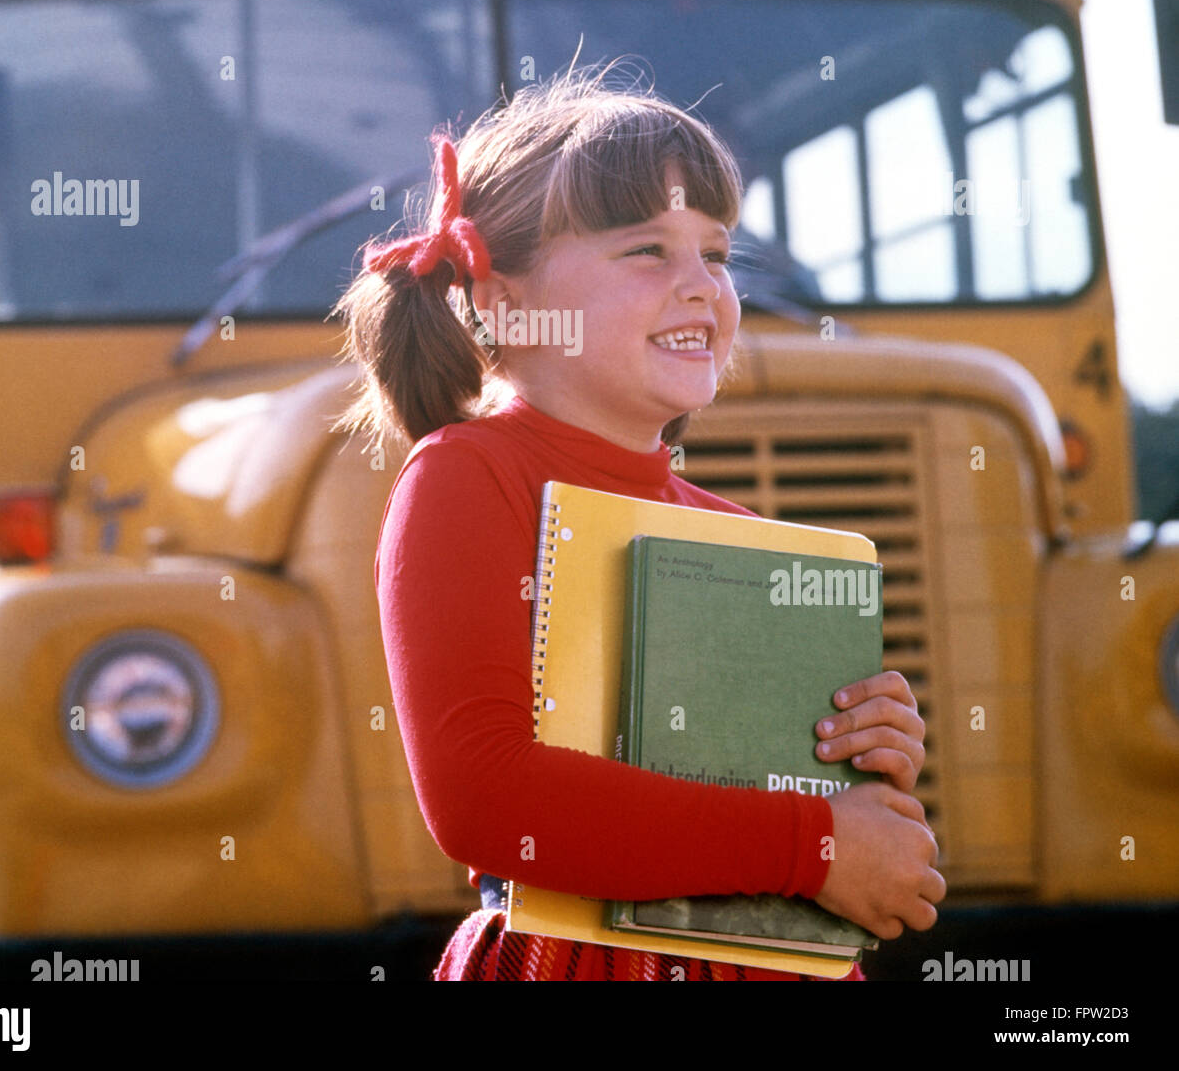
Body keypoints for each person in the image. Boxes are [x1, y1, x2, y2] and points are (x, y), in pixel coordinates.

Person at [331, 60, 943, 981]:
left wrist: (863, 753)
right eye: (647, 250)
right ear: (507, 304)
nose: (702, 285)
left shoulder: (730, 528)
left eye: (719, 254)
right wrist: (814, 842)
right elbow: (487, 799)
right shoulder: (466, 479)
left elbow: (765, 797)